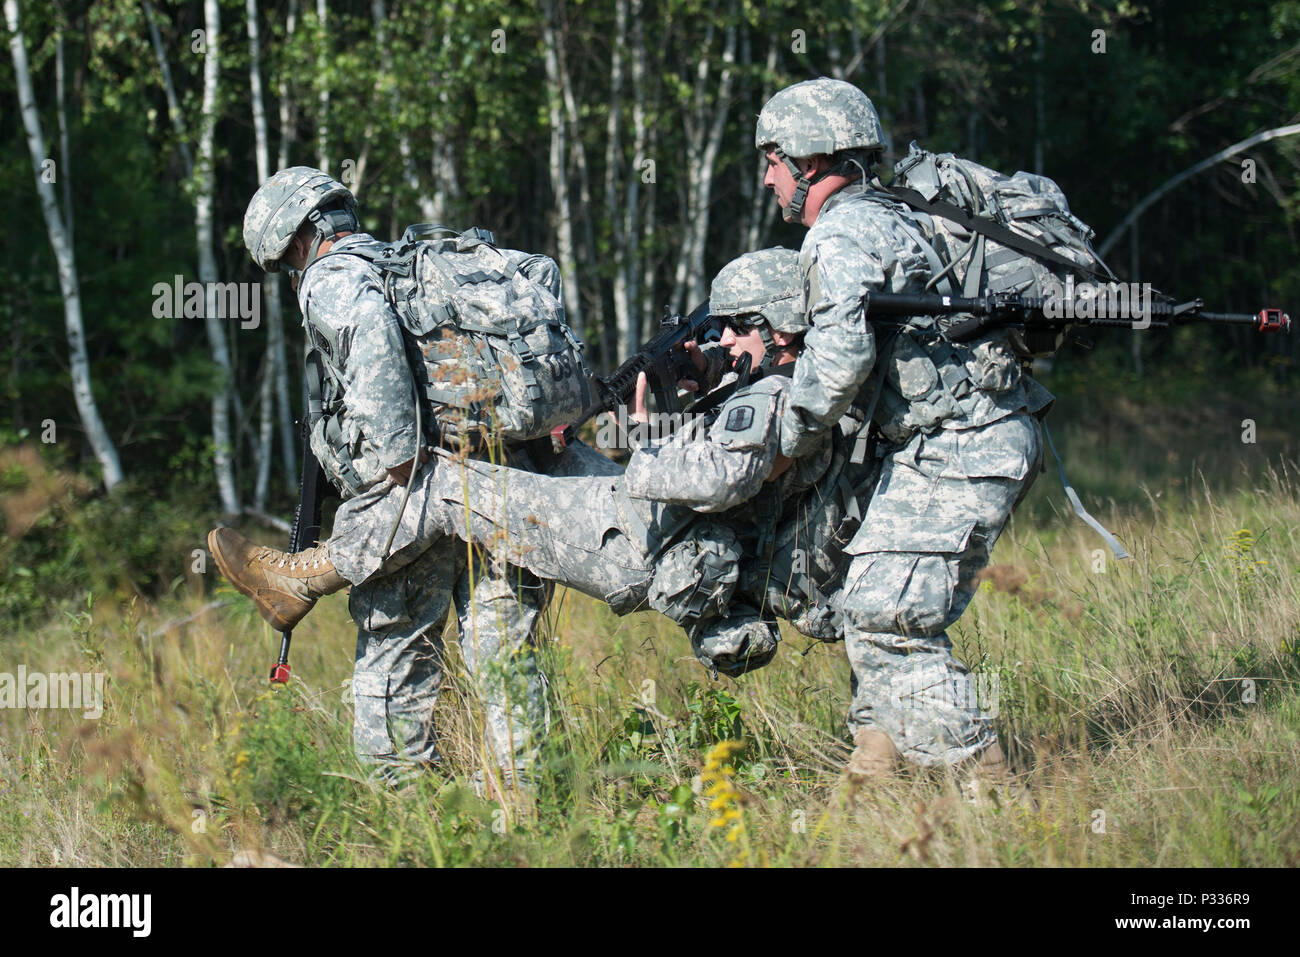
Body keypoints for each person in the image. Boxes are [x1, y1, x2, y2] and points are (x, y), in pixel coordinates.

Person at [209, 248, 869, 679]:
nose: (721, 340)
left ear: (779, 327)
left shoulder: (784, 397)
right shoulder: (793, 388)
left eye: (735, 326)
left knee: (440, 480)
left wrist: (649, 434)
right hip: (653, 523)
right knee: (532, 455)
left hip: (638, 541)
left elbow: (713, 475)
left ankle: (308, 576)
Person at [217, 166, 613, 791]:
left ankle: (408, 818)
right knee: (508, 661)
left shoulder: (334, 276)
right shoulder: (423, 264)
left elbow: (373, 349)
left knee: (394, 656)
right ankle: (528, 817)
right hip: (501, 480)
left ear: (295, 238)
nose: (290, 272)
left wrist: (395, 468)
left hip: (415, 499)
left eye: (284, 261)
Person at [754, 78, 1052, 783]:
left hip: (961, 444)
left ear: (811, 158)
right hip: (962, 438)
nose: (767, 179)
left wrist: (782, 444)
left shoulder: (842, 232)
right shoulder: (891, 212)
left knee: (892, 618)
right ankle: (875, 769)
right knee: (866, 601)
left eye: (772, 160)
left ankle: (989, 786)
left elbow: (840, 359)